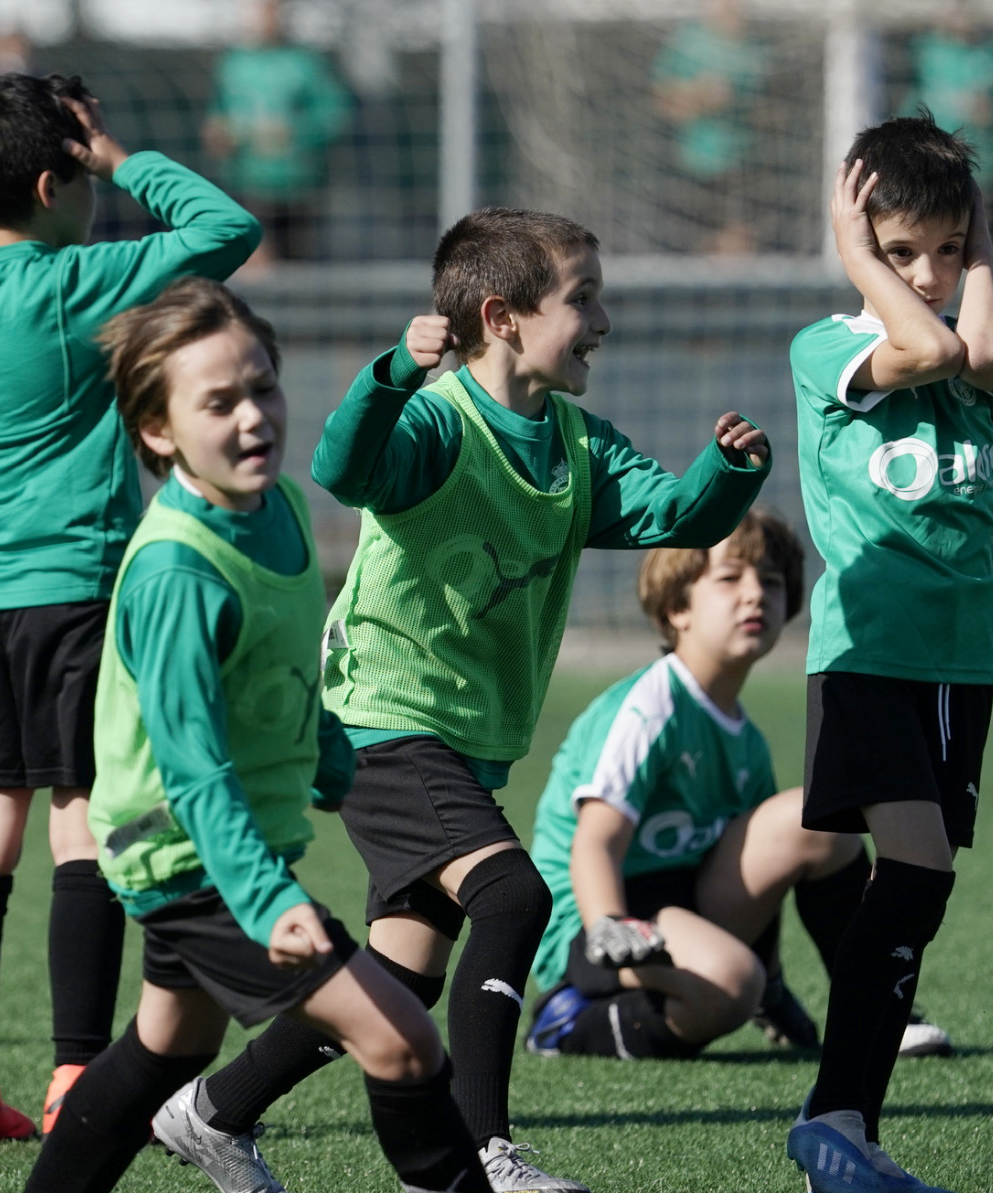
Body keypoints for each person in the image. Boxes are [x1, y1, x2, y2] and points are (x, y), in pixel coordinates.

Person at [146, 207, 770, 1193]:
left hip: (467, 742)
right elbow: (342, 467)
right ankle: (485, 1153)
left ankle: (209, 1111)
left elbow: (673, 515)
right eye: (583, 298)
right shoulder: (436, 422)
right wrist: (392, 372)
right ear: (504, 316)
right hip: (382, 719)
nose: (603, 319)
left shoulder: (575, 443)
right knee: (514, 894)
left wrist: (726, 475)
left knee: (394, 982)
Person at [22, 277, 491, 1193]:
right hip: (192, 856)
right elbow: (192, 766)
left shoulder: (271, 507)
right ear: (159, 433)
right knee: (401, 1040)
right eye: (219, 402)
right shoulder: (175, 570)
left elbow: (276, 660)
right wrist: (264, 895)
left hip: (220, 851)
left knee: (171, 1043)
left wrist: (323, 745)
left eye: (263, 387)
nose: (252, 417)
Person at [0, 73, 262, 1144]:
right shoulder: (81, 283)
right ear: (48, 180)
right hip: (78, 586)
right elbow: (227, 226)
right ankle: (77, 1073)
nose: (96, 194)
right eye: (80, 179)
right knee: (84, 828)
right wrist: (120, 155)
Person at [785, 114, 993, 1193]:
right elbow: (933, 350)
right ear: (858, 245)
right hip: (872, 651)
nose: (931, 273)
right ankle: (831, 1117)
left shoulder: (984, 328)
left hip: (958, 660)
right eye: (903, 252)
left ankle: (845, 1122)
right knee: (915, 871)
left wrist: (975, 245)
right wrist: (854, 257)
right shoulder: (827, 347)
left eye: (949, 247)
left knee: (919, 887)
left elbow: (978, 354)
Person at [519, 509, 877, 1062]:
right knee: (731, 985)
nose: (756, 593)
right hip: (595, 917)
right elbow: (594, 843)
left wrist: (773, 986)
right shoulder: (652, 704)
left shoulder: (746, 736)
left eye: (772, 581)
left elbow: (762, 872)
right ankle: (567, 1019)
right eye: (731, 578)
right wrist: (609, 930)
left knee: (818, 819)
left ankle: (872, 1018)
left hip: (683, 899)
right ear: (676, 607)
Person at [203, 0, 353, 263]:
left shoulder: (306, 63)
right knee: (254, 261)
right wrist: (218, 133)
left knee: (296, 266)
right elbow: (219, 113)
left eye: (269, 9)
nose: (261, 17)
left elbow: (333, 114)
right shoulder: (232, 64)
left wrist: (295, 135)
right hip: (247, 183)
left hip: (297, 184)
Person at [906, 0, 993, 246]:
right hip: (932, 173)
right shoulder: (923, 51)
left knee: (985, 251)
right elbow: (906, 108)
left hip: (987, 173)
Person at [651, 0, 769, 255]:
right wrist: (699, 96)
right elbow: (663, 100)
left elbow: (774, 112)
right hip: (697, 163)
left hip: (746, 164)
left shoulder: (758, 48)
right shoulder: (688, 42)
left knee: (738, 245)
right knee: (702, 246)